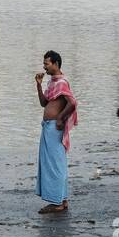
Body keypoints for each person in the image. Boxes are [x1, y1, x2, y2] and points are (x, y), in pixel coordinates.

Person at [34, 50, 77, 214]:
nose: (44, 66)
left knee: (55, 164)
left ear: (56, 64)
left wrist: (60, 118)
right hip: (48, 126)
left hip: (54, 128)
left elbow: (72, 103)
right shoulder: (53, 82)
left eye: (47, 63)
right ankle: (62, 200)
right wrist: (38, 84)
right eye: (44, 63)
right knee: (52, 163)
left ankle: (57, 203)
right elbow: (44, 103)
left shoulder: (62, 82)